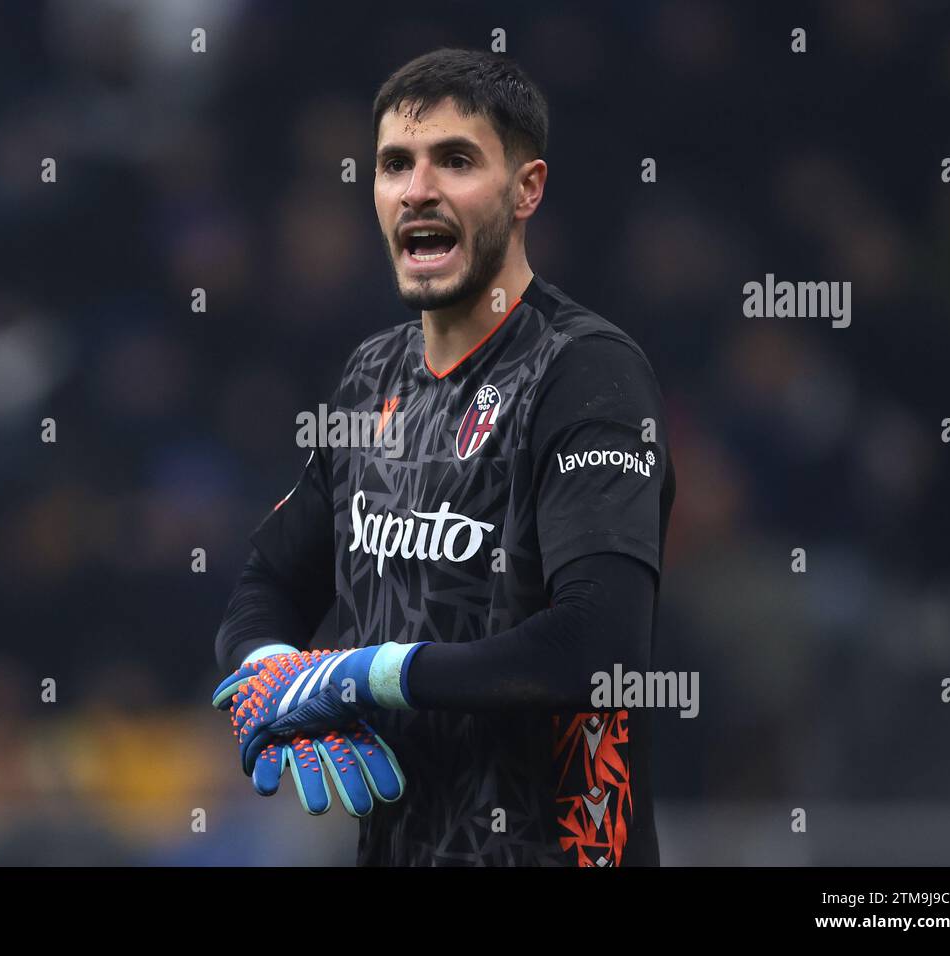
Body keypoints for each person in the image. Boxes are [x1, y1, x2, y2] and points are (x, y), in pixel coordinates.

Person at [214, 47, 675, 867]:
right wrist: (273, 668)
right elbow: (269, 581)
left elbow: (599, 646)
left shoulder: (586, 373)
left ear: (527, 188)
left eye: (455, 160)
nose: (418, 188)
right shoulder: (370, 377)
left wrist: (364, 674)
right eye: (396, 164)